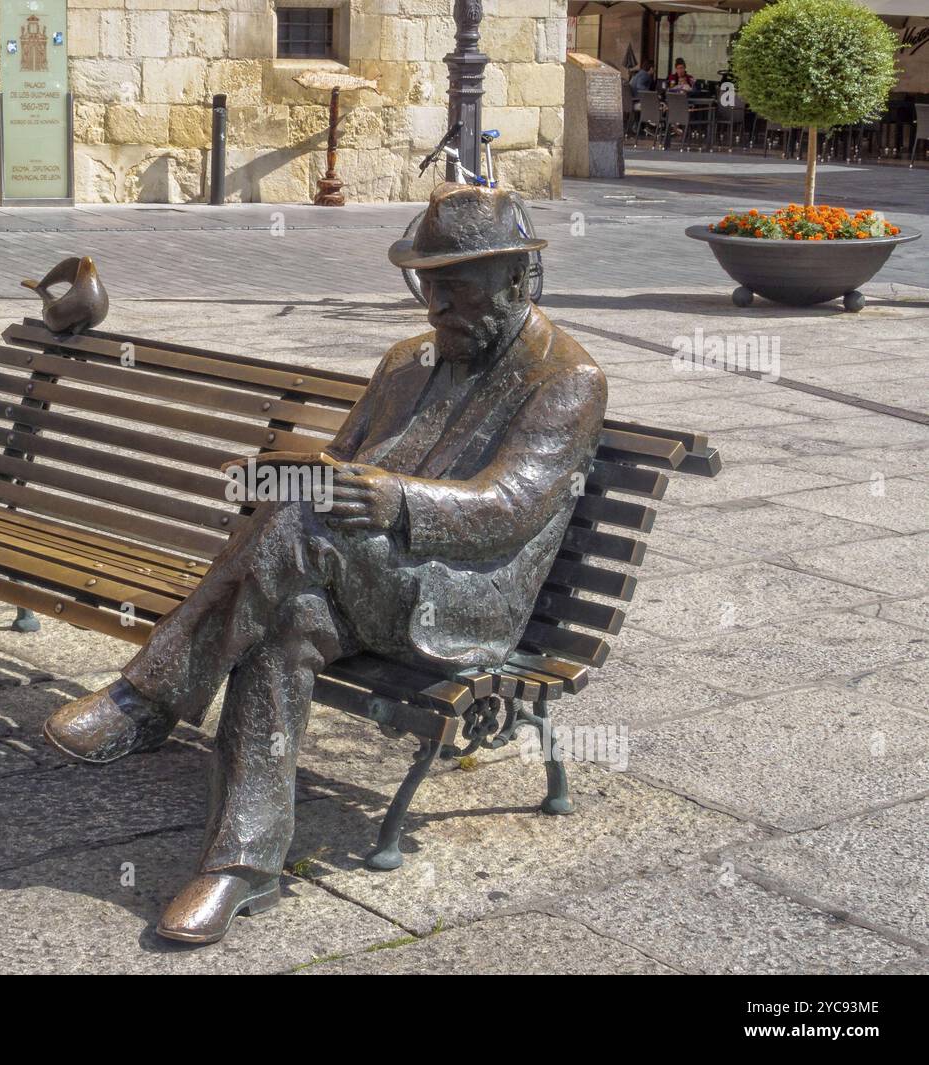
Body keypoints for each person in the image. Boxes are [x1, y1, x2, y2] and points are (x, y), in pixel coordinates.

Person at [42, 184, 608, 945]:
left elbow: (508, 506)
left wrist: (396, 503)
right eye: (427, 283)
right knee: (286, 619)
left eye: (456, 286)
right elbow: (338, 467)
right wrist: (278, 475)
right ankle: (241, 866)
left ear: (516, 280)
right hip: (356, 579)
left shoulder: (566, 378)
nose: (435, 305)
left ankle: (149, 699)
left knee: (303, 521)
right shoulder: (409, 360)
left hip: (461, 598)